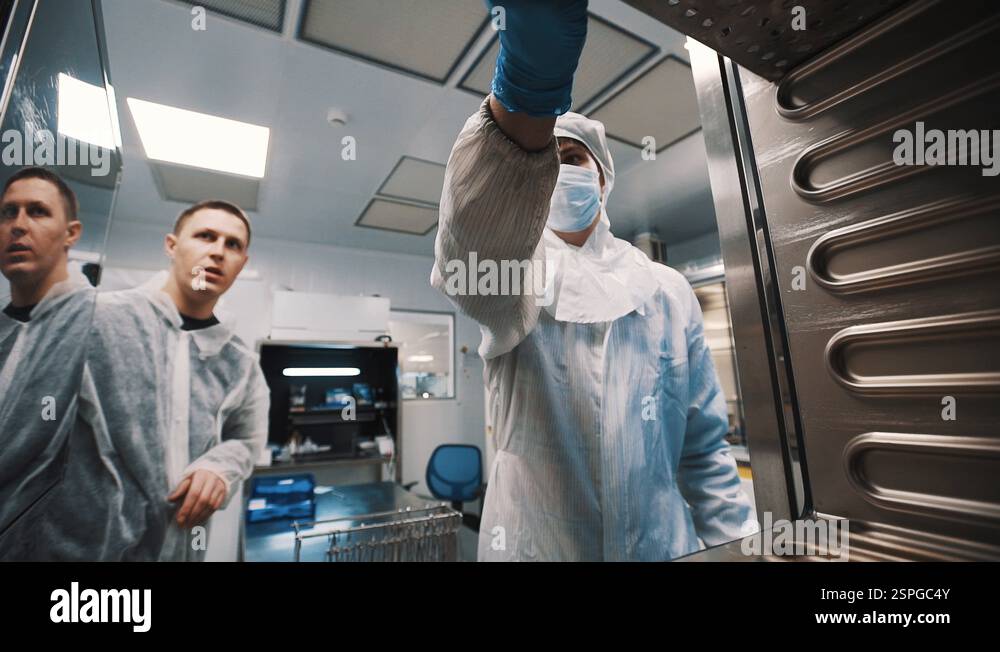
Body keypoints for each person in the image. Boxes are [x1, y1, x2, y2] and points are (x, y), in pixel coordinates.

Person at [431, 0, 754, 561]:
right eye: (545, 159)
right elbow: (473, 241)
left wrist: (741, 549)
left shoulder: (667, 291)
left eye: (573, 156)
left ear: (602, 182)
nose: (558, 170)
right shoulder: (515, 279)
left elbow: (704, 454)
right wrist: (528, 88)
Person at [36, 199, 269, 561]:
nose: (218, 252)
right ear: (172, 245)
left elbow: (247, 439)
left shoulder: (239, 361)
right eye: (206, 236)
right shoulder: (96, 321)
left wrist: (219, 468)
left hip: (180, 550)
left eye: (233, 244)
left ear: (243, 263)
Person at [0, 167, 94, 558]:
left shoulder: (101, 325)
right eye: (8, 213)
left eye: (37, 211)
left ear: (71, 233)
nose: (18, 226)